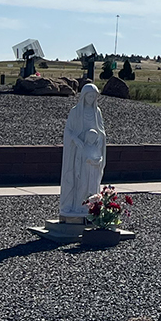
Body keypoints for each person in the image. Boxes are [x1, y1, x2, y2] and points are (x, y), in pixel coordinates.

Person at [59, 84, 107, 222]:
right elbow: (68, 131)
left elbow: (101, 130)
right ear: (84, 96)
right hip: (78, 152)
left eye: (94, 97)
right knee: (77, 179)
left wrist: (99, 138)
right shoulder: (75, 112)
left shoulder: (96, 112)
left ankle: (91, 207)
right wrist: (76, 139)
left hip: (92, 152)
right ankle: (74, 205)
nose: (91, 99)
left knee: (91, 181)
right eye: (89, 96)